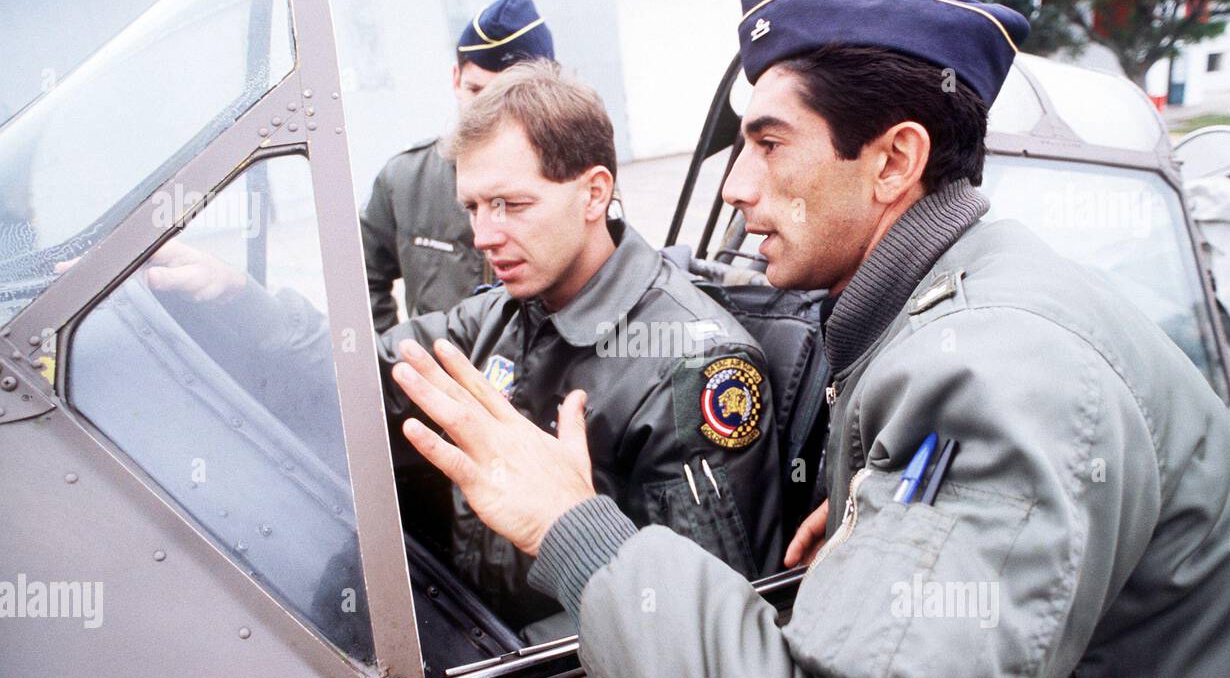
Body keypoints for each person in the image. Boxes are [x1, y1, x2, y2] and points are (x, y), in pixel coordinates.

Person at [390, 0, 1230, 678]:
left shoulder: (995, 376)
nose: (736, 185)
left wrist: (573, 527)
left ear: (895, 160)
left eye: (770, 144)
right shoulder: (955, 303)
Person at [142, 61, 785, 643]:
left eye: (510, 205)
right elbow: (363, 374)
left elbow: (701, 624)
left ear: (594, 193)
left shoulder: (693, 371)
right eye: (474, 207)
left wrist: (487, 669)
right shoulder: (504, 311)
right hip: (481, 628)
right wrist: (237, 301)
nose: (484, 235)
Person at [361, 0, 555, 332]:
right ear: (455, 79)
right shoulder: (404, 179)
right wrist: (397, 364)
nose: (488, 112)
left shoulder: (571, 174)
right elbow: (361, 276)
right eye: (477, 91)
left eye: (510, 94)